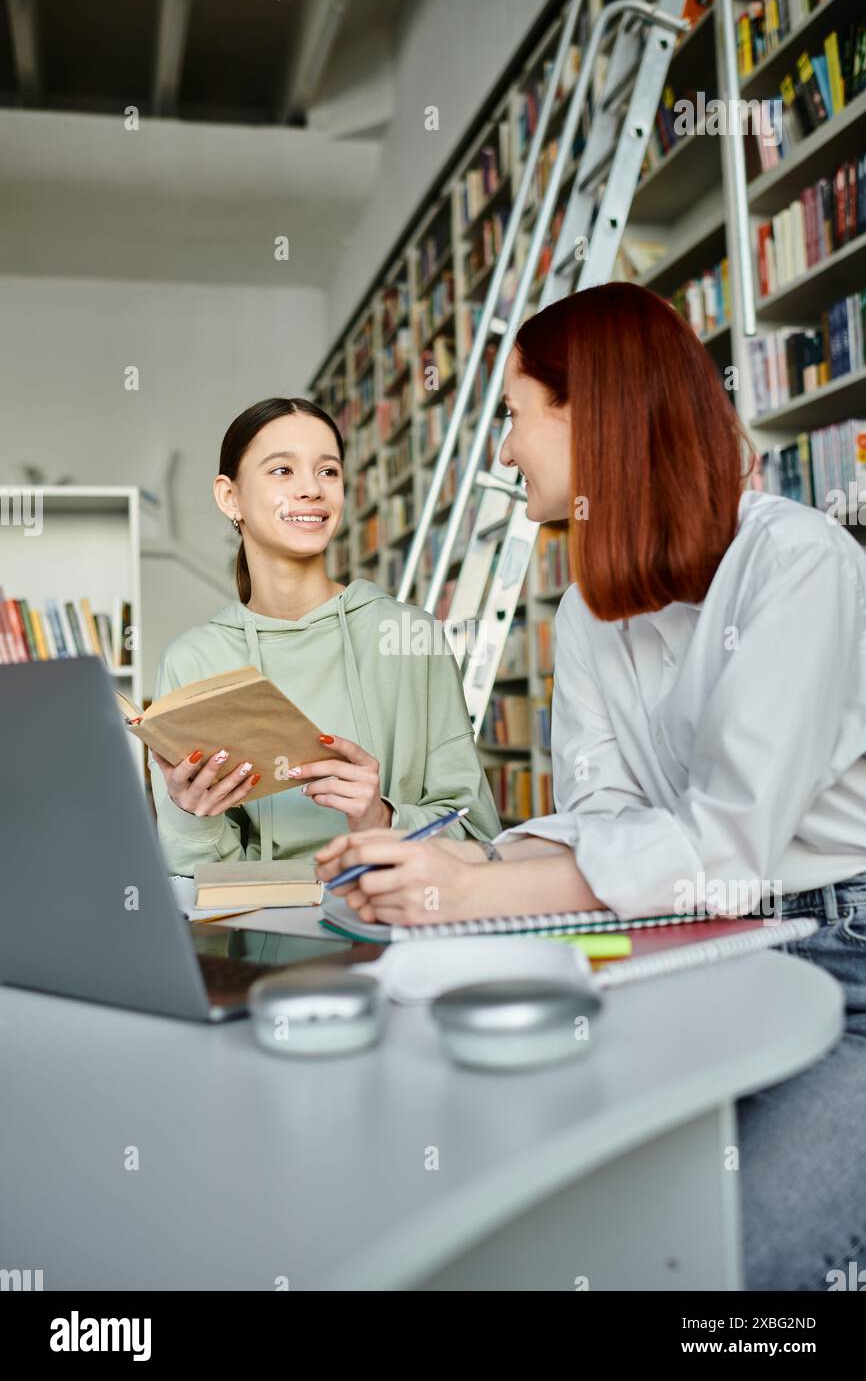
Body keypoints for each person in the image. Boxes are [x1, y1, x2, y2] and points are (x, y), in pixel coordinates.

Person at [314, 282, 866, 1291]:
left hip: (844, 952)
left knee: (733, 1255)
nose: (506, 449)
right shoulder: (586, 609)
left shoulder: (799, 565)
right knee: (559, 1182)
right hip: (692, 944)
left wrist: (474, 889)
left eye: (517, 414)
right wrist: (452, 861)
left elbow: (724, 848)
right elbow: (606, 825)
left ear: (592, 413)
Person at [149, 396, 500, 875]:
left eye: (328, 471)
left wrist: (380, 817)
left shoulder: (410, 636)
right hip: (258, 929)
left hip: (391, 920)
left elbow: (479, 836)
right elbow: (195, 878)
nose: (312, 489)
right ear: (229, 497)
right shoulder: (191, 660)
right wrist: (193, 818)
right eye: (282, 471)